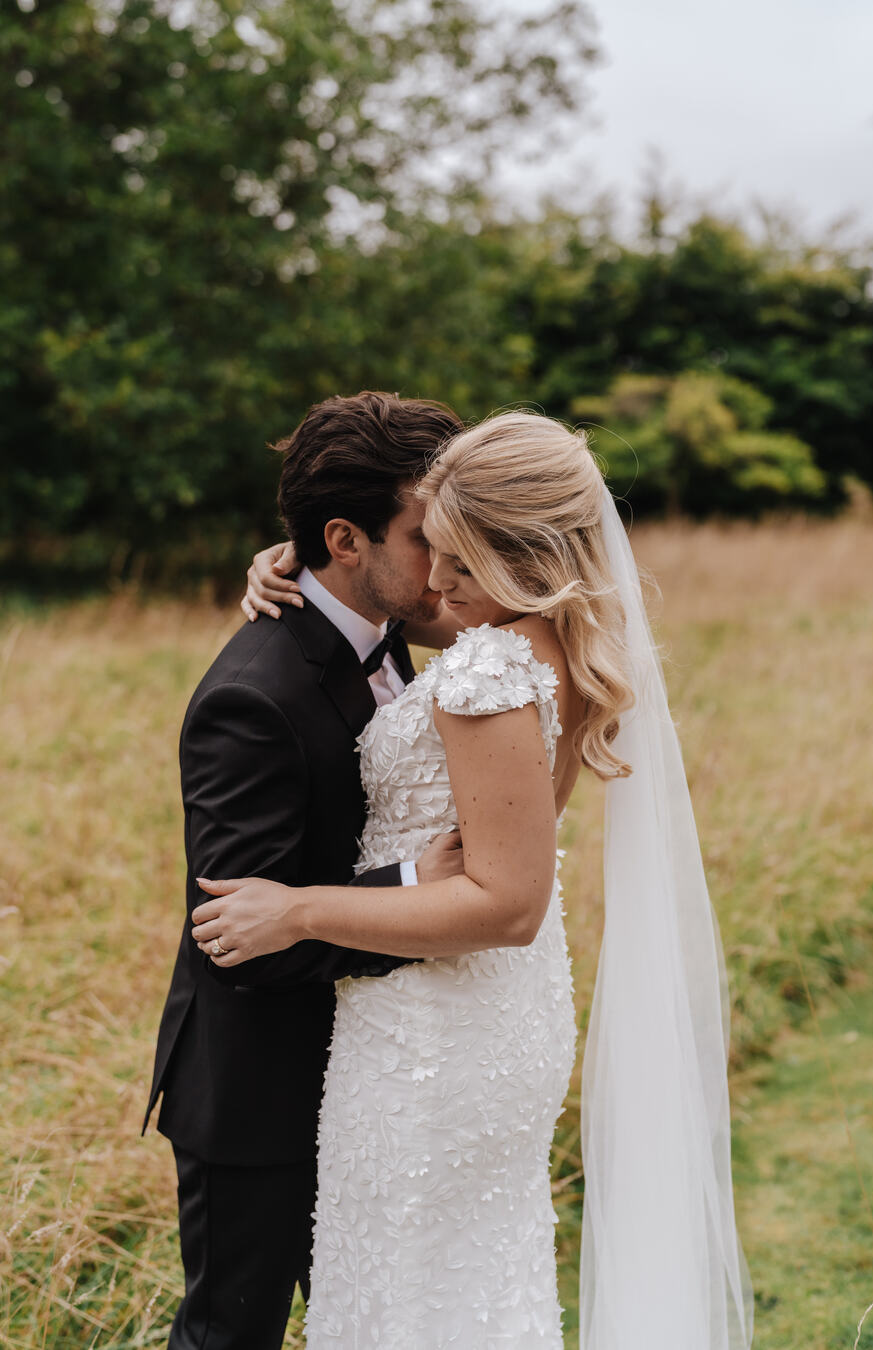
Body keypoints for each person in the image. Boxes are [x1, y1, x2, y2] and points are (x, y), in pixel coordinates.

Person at [193, 411, 754, 1348]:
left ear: (509, 548)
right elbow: (366, 568)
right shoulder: (560, 642)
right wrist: (289, 555)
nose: (435, 587)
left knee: (410, 1292)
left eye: (453, 557)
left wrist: (295, 909)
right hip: (492, 1021)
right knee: (473, 1281)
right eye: (429, 549)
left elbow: (508, 903)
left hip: (435, 1033)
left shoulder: (487, 667)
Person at [144, 391, 474, 1350]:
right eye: (428, 536)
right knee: (230, 1336)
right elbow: (239, 939)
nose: (451, 561)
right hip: (261, 1092)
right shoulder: (251, 698)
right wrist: (418, 886)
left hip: (375, 1068)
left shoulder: (388, 623)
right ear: (345, 538)